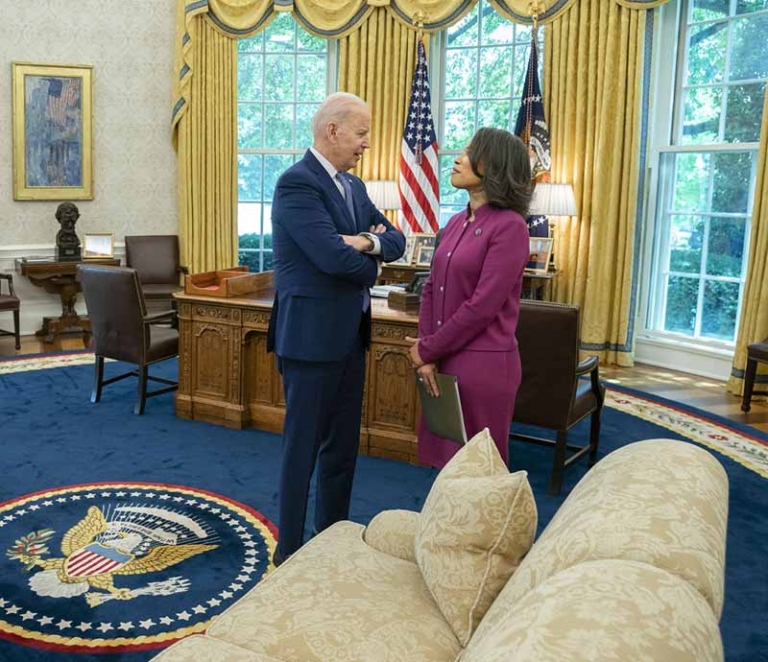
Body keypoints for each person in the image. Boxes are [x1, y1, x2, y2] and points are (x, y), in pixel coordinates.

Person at [267, 92, 406, 565]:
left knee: (343, 450)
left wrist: (365, 241)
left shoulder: (356, 187)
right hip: (308, 341)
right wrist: (372, 265)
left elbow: (398, 240)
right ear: (333, 131)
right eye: (362, 133)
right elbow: (330, 257)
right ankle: (288, 553)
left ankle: (331, 542)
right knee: (301, 451)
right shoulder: (296, 185)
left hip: (350, 337)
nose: (367, 143)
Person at [406, 127, 532, 467]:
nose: (457, 158)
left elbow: (482, 307)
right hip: (441, 360)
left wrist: (427, 349)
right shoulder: (455, 222)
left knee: (477, 472)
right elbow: (431, 287)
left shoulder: (511, 227)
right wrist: (427, 351)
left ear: (493, 166)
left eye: (468, 152)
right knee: (445, 466)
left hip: (483, 366)